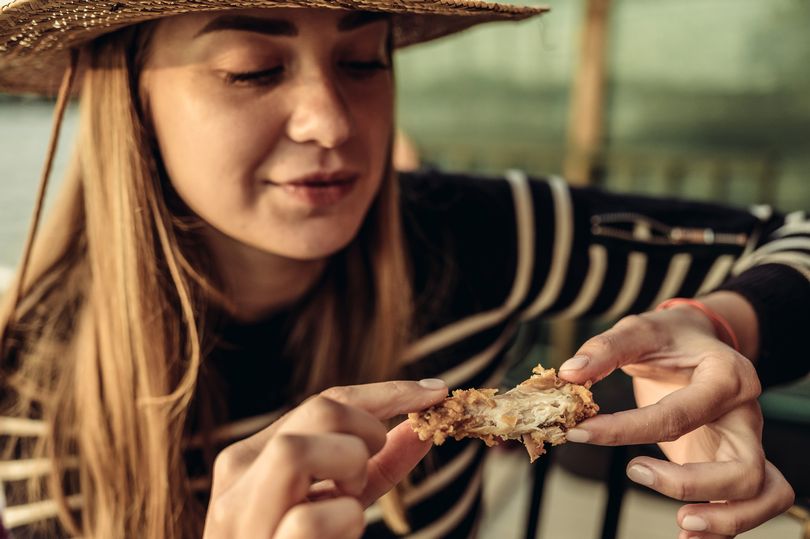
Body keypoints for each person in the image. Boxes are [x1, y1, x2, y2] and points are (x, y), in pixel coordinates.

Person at [0, 2, 807, 538]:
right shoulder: (21, 393)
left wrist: (720, 325)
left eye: (361, 60)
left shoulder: (472, 235)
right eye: (253, 67)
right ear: (129, 100)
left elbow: (789, 233)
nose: (330, 120)